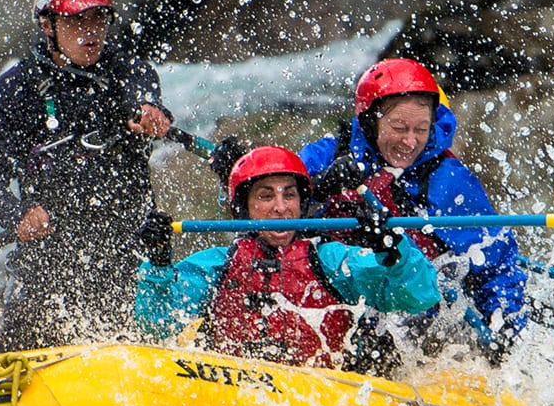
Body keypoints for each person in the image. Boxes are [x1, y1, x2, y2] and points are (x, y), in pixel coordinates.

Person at [232, 58, 527, 362]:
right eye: (398, 127)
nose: (409, 141)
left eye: (421, 129)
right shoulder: (330, 154)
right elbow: (261, 211)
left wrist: (504, 329)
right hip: (332, 297)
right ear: (371, 121)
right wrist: (320, 186)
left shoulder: (448, 181)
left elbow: (496, 264)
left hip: (413, 311)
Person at [0, 0, 173, 350]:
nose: (90, 32)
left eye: (98, 20)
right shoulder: (16, 88)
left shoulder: (126, 69)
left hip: (124, 250)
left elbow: (143, 93)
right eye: (76, 21)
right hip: (46, 258)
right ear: (47, 25)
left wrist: (150, 111)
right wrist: (17, 215)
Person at [133, 145, 440, 372]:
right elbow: (155, 326)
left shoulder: (331, 261)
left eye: (289, 195)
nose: (281, 208)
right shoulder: (217, 264)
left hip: (320, 403)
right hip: (229, 397)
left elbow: (419, 296)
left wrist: (392, 248)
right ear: (244, 208)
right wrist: (158, 264)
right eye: (266, 196)